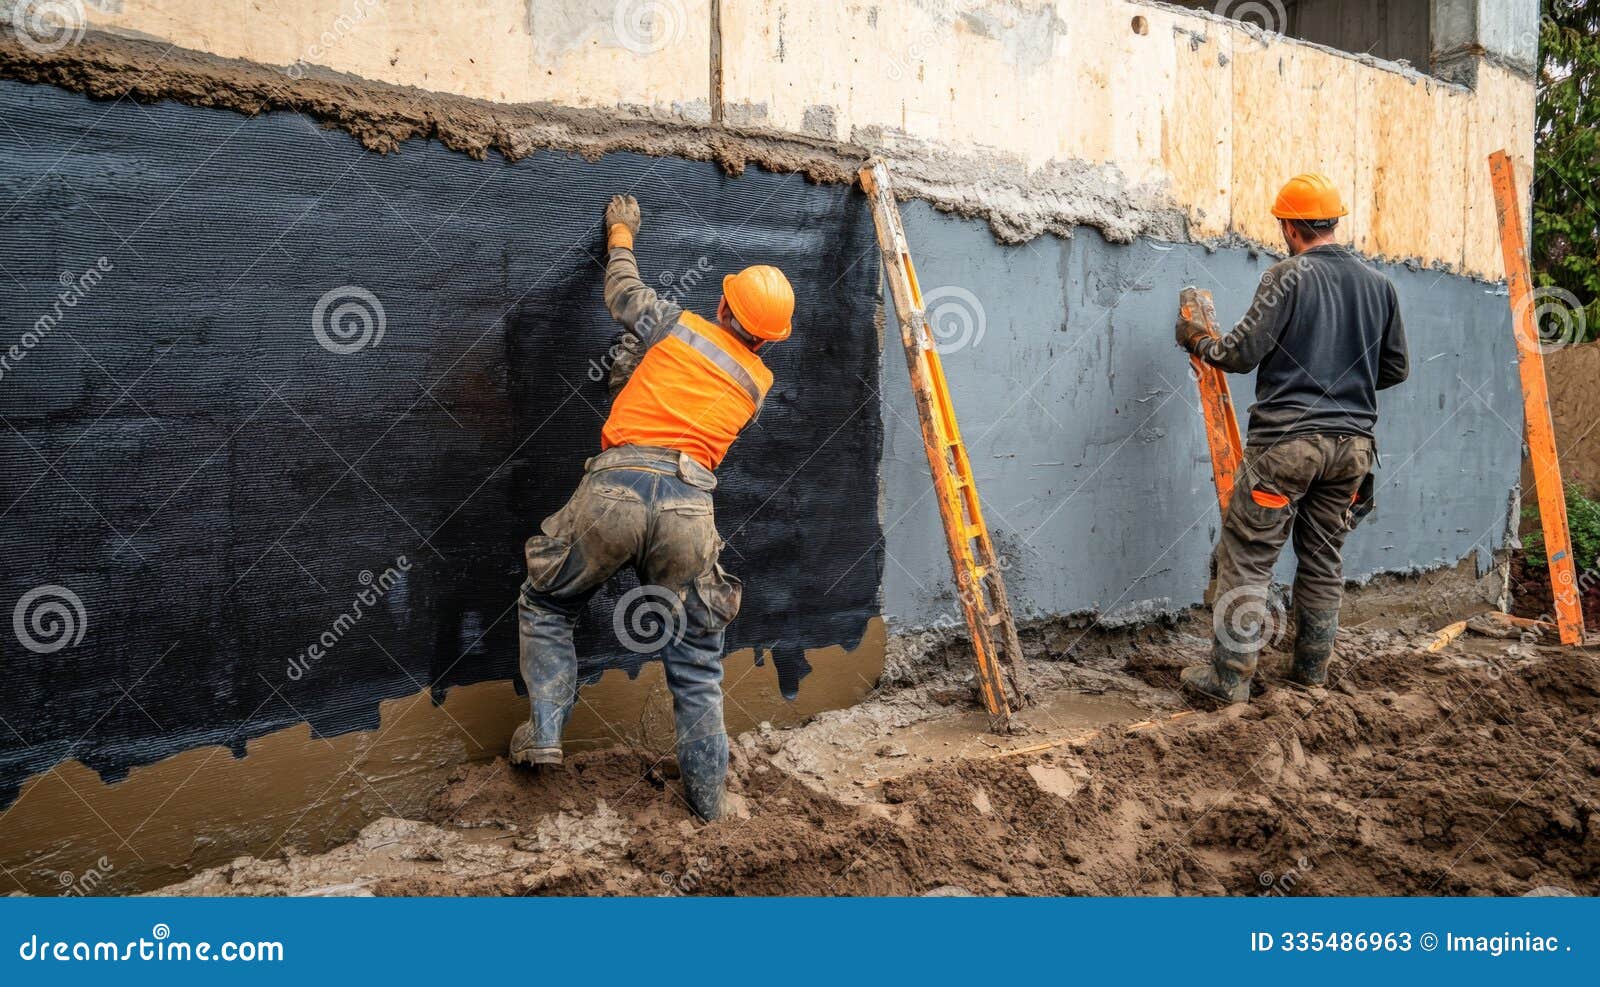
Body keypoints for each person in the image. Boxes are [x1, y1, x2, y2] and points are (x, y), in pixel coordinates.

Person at [511, 194, 795, 820]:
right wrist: (633, 373)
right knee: (695, 663)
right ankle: (710, 808)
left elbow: (622, 292)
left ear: (722, 304)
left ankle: (545, 735)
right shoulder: (758, 383)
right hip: (690, 510)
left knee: (548, 604)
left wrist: (620, 231)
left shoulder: (675, 323)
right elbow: (683, 406)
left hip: (618, 487)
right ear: (771, 340)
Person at [1174, 173, 1409, 705]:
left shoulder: (1287, 276)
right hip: (1352, 451)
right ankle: (1311, 675)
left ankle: (1229, 679)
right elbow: (1392, 369)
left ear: (1288, 225)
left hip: (1286, 448)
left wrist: (1197, 340)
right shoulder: (1381, 285)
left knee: (1250, 558)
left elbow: (1239, 354)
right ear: (1333, 221)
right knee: (1324, 558)